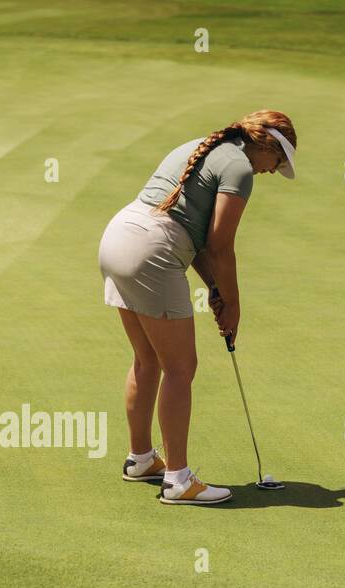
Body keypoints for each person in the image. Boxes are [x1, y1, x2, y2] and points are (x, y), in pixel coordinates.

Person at [98, 110, 296, 505]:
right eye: (277, 162)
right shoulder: (239, 167)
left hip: (118, 238)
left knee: (147, 359)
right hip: (153, 251)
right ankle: (179, 480)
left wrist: (215, 291)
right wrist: (234, 303)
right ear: (267, 146)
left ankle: (141, 460)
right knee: (181, 367)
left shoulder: (201, 146)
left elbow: (197, 238)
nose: (273, 172)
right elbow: (221, 246)